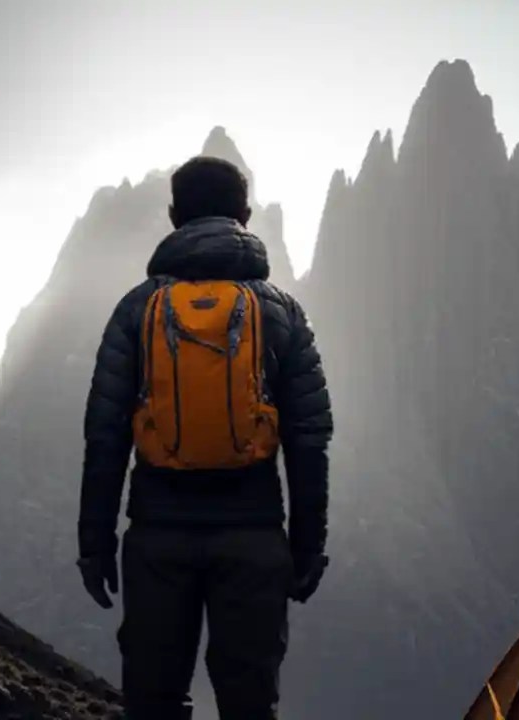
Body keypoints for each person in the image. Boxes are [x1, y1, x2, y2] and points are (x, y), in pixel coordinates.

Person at [77, 155, 333, 720]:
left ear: (174, 217)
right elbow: (310, 436)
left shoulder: (137, 309)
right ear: (245, 214)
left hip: (158, 537)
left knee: (155, 699)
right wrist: (308, 543)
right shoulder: (281, 313)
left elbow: (105, 433)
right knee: (248, 702)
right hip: (253, 535)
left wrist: (93, 542)